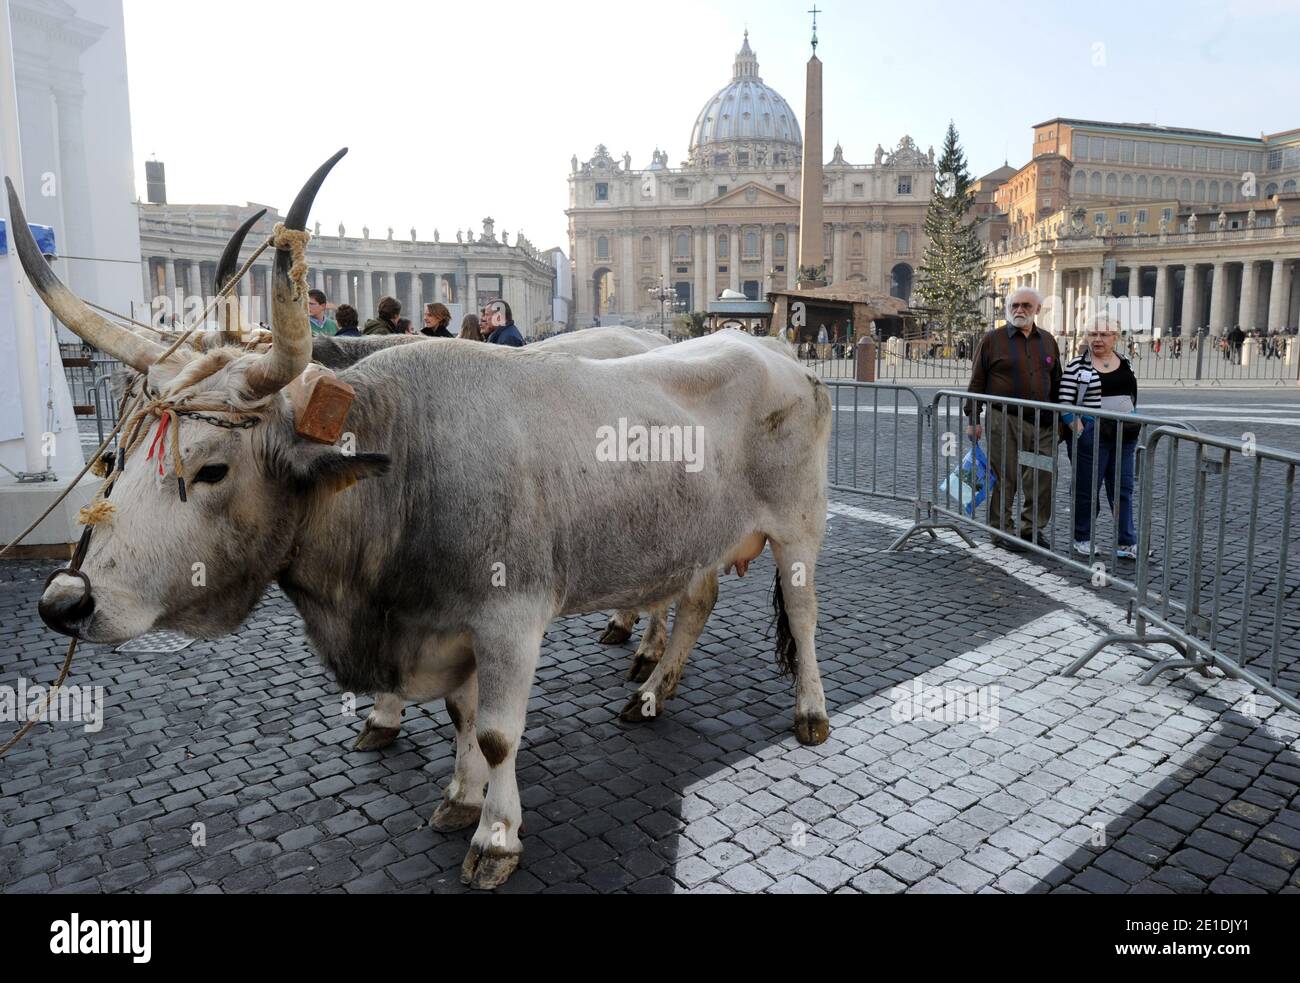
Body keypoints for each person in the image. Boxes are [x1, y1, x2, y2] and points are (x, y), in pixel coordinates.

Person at [964, 287, 1063, 552]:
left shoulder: (1048, 341)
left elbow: (1057, 382)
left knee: (1042, 476)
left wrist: (1061, 420)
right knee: (1005, 475)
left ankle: (1032, 528)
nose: (1020, 310)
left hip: (1042, 423)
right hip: (1004, 419)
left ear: (1038, 310)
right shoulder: (992, 339)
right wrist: (973, 417)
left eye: (1026, 306)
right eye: (1015, 305)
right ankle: (1001, 530)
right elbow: (977, 381)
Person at [1061, 313, 1141, 559]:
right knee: (1088, 488)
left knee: (1123, 488)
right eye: (1093, 334)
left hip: (1125, 433)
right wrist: (1080, 430)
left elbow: (1131, 394)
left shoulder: (1125, 361)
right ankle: (1082, 537)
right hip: (1093, 433)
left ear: (1115, 337)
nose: (1098, 339)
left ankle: (1126, 541)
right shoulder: (1076, 365)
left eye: (1104, 334)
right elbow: (1064, 402)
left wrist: (1133, 418)